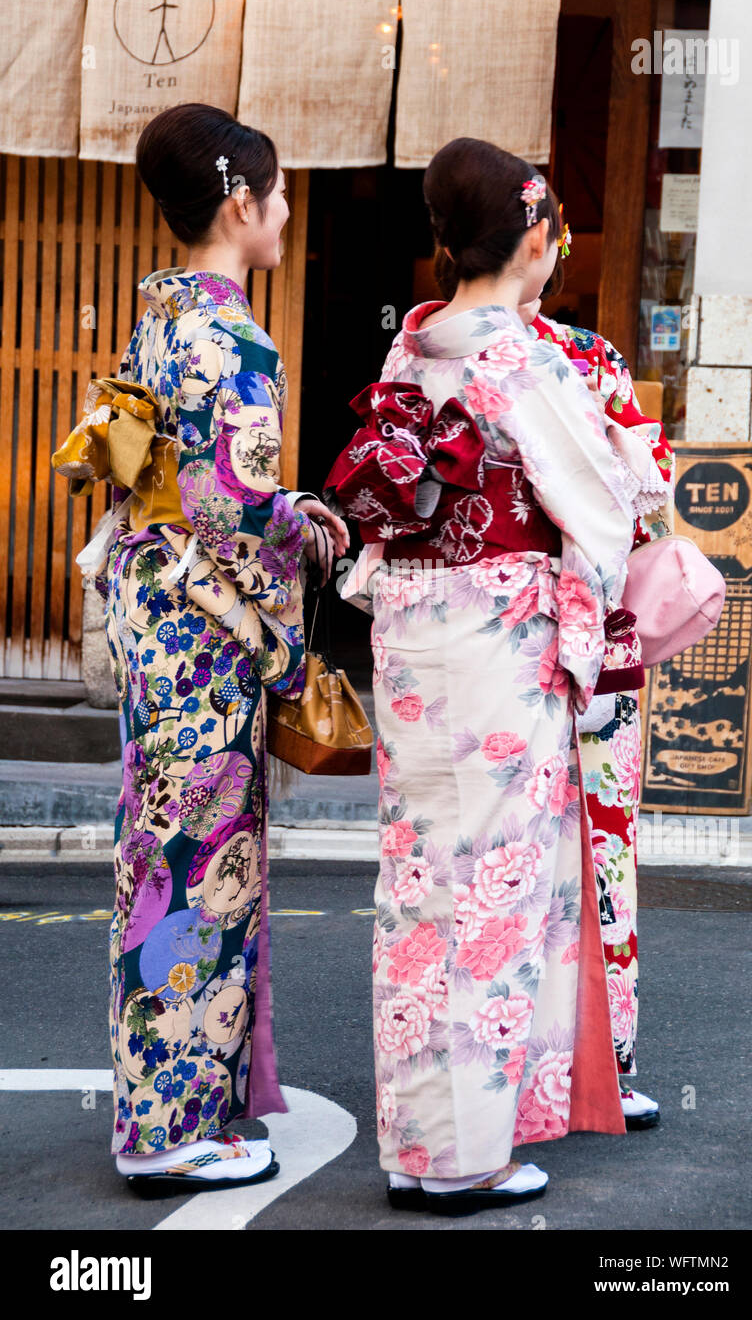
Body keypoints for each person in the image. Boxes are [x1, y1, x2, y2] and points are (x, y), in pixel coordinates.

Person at [325, 138, 636, 1216]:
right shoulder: (519, 356)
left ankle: (417, 1143)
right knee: (497, 890)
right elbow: (608, 505)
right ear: (536, 238)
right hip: (498, 638)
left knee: (416, 882)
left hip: (414, 633)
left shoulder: (413, 347)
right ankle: (469, 1157)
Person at [52, 102, 347, 1190]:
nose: (281, 212)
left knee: (164, 854)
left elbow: (159, 471)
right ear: (240, 201)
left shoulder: (159, 321)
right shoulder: (230, 334)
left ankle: (172, 1107)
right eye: (274, 195)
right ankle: (170, 1129)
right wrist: (303, 518)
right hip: (204, 634)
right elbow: (231, 496)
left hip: (157, 614)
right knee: (194, 863)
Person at [516, 244, 676, 1128]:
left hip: (489, 642)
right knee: (599, 845)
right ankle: (599, 1072)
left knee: (500, 858)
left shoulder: (431, 353)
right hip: (591, 639)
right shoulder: (585, 359)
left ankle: (504, 1071)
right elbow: (647, 502)